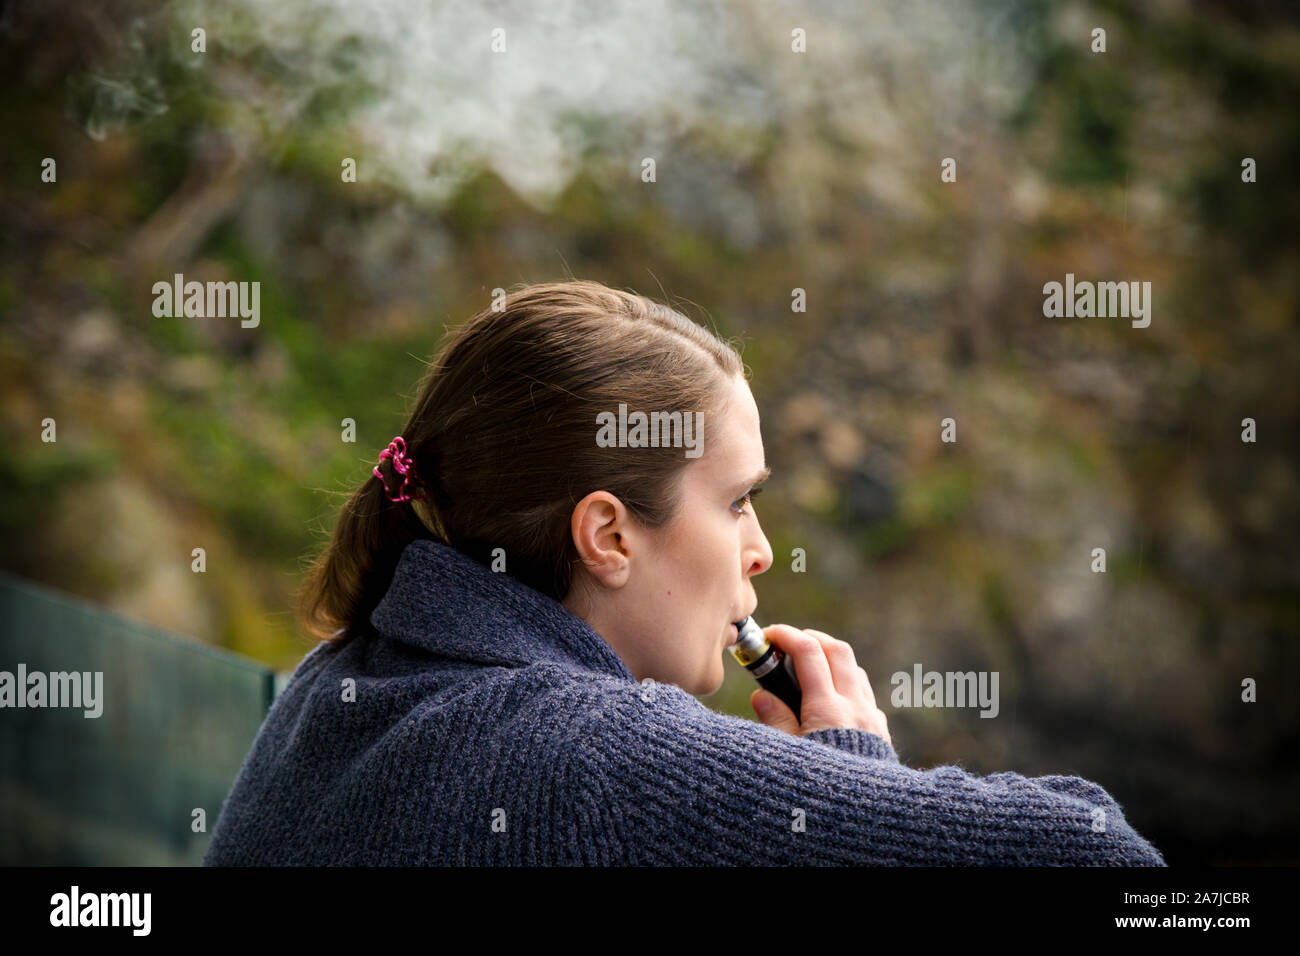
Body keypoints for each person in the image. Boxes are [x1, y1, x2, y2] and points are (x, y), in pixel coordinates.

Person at [203, 279, 1166, 866]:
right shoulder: (590, 759)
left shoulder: (336, 682)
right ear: (609, 537)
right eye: (739, 500)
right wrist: (850, 780)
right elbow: (1095, 854)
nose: (763, 550)